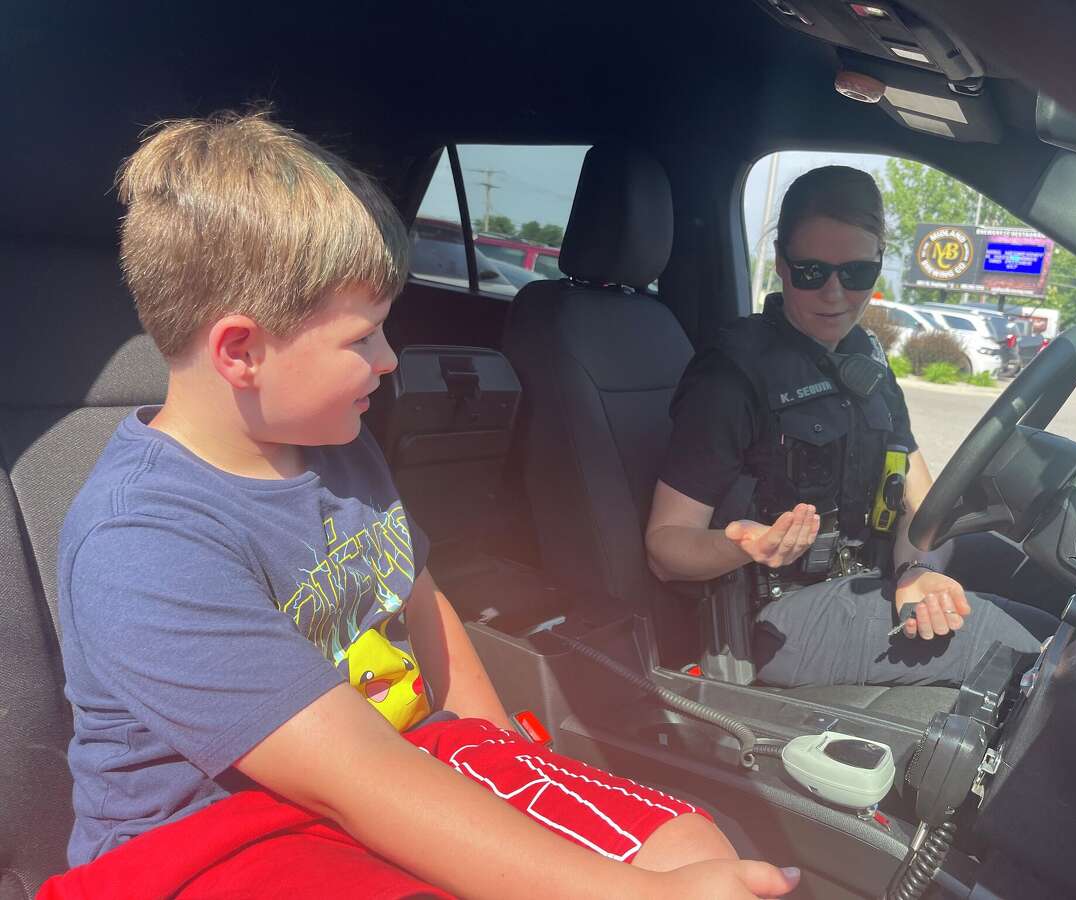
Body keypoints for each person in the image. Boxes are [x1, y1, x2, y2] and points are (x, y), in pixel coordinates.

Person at [50, 111, 800, 899]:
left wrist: (508, 756)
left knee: (691, 844)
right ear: (241, 351)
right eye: (362, 338)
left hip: (395, 753)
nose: (389, 360)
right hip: (213, 839)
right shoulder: (142, 540)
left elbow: (419, 598)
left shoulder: (338, 446)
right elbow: (353, 779)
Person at [645, 166, 1058, 690]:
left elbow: (919, 499)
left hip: (867, 577)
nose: (835, 294)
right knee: (1032, 655)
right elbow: (664, 548)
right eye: (812, 272)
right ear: (780, 264)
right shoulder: (733, 376)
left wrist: (917, 570)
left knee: (1050, 597)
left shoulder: (868, 361)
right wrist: (742, 545)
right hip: (774, 619)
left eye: (857, 273)